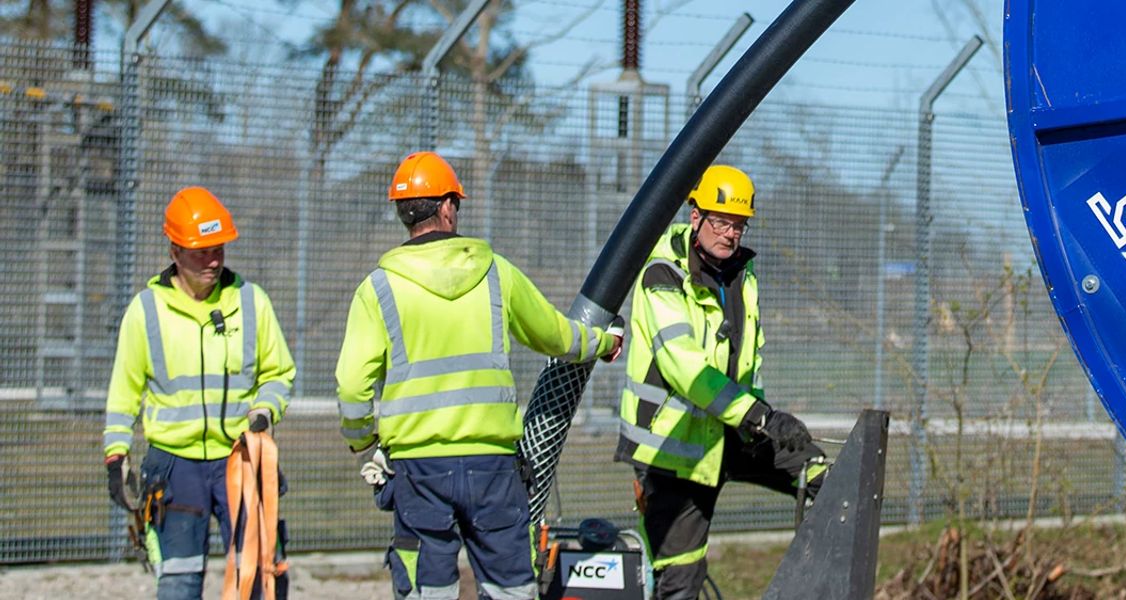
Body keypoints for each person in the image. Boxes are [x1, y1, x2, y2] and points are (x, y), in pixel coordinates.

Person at [335, 151, 623, 600]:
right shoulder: (495, 273)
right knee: (511, 588)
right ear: (448, 207)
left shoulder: (378, 289)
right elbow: (555, 335)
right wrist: (603, 343)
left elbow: (352, 386)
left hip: (418, 471)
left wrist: (364, 444)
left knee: (427, 591)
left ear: (403, 213)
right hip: (493, 467)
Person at [614, 164, 824, 599]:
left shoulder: (741, 277)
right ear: (696, 217)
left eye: (740, 225)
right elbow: (685, 368)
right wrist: (761, 416)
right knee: (680, 580)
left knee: (827, 476)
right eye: (724, 222)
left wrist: (758, 414)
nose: (732, 234)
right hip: (671, 452)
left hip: (732, 430)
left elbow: (749, 359)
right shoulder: (662, 275)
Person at [102, 186, 296, 599]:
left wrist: (264, 411)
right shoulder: (146, 311)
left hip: (240, 460)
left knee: (261, 577)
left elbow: (279, 373)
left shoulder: (251, 301)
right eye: (201, 251)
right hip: (174, 470)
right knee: (178, 581)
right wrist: (116, 455)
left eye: (219, 249)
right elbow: (123, 393)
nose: (213, 260)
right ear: (175, 252)